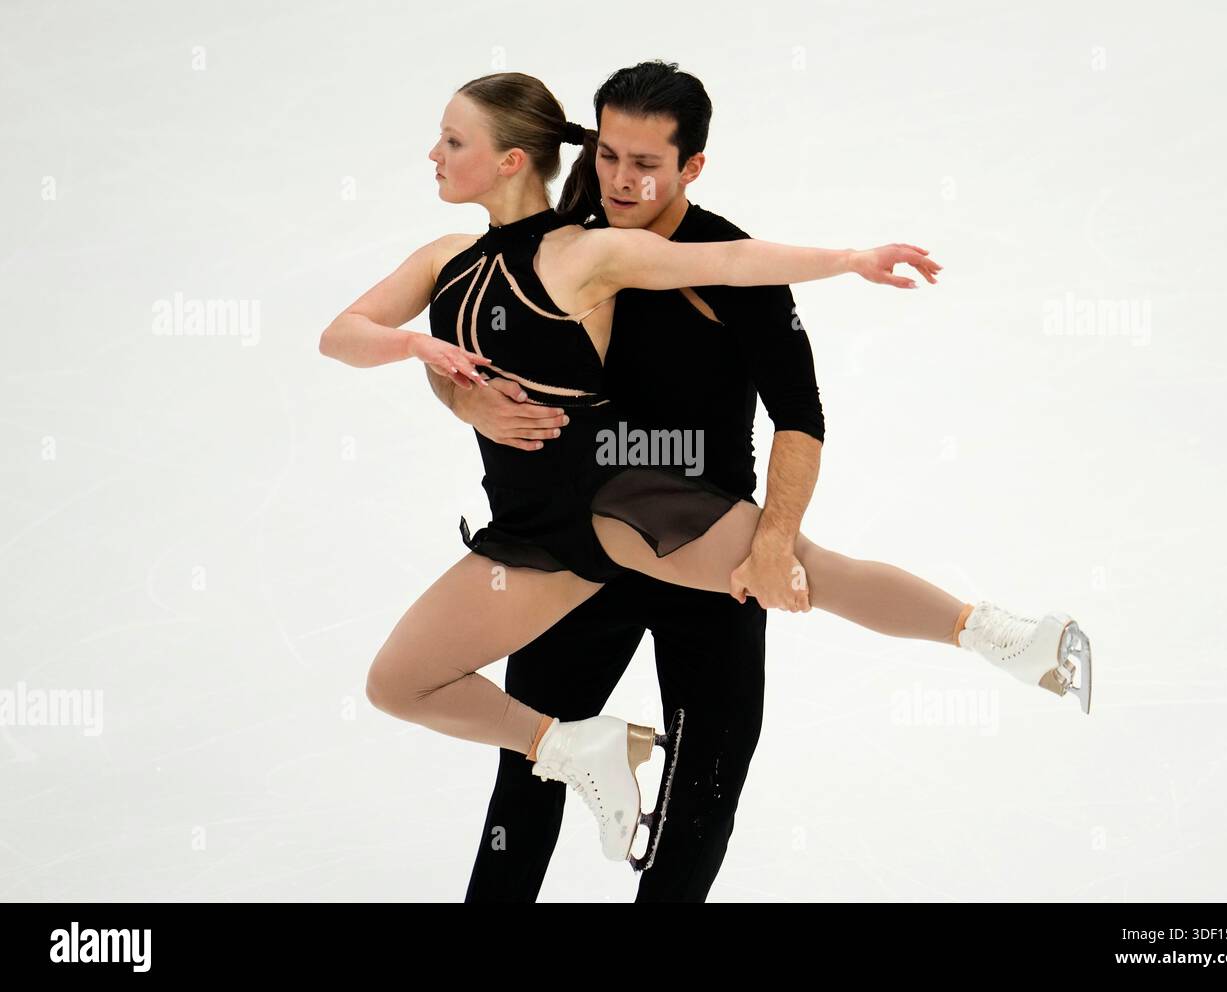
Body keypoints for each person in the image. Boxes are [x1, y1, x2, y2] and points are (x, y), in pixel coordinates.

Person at [319, 70, 1093, 875]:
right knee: (481, 750)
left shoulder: (608, 250)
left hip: (647, 501)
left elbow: (754, 302)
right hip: (541, 531)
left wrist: (851, 260)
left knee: (725, 744)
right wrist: (451, 388)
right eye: (608, 154)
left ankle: (1004, 636)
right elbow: (437, 341)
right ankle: (581, 749)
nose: (622, 178)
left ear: (692, 166)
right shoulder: (535, 233)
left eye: (646, 162)